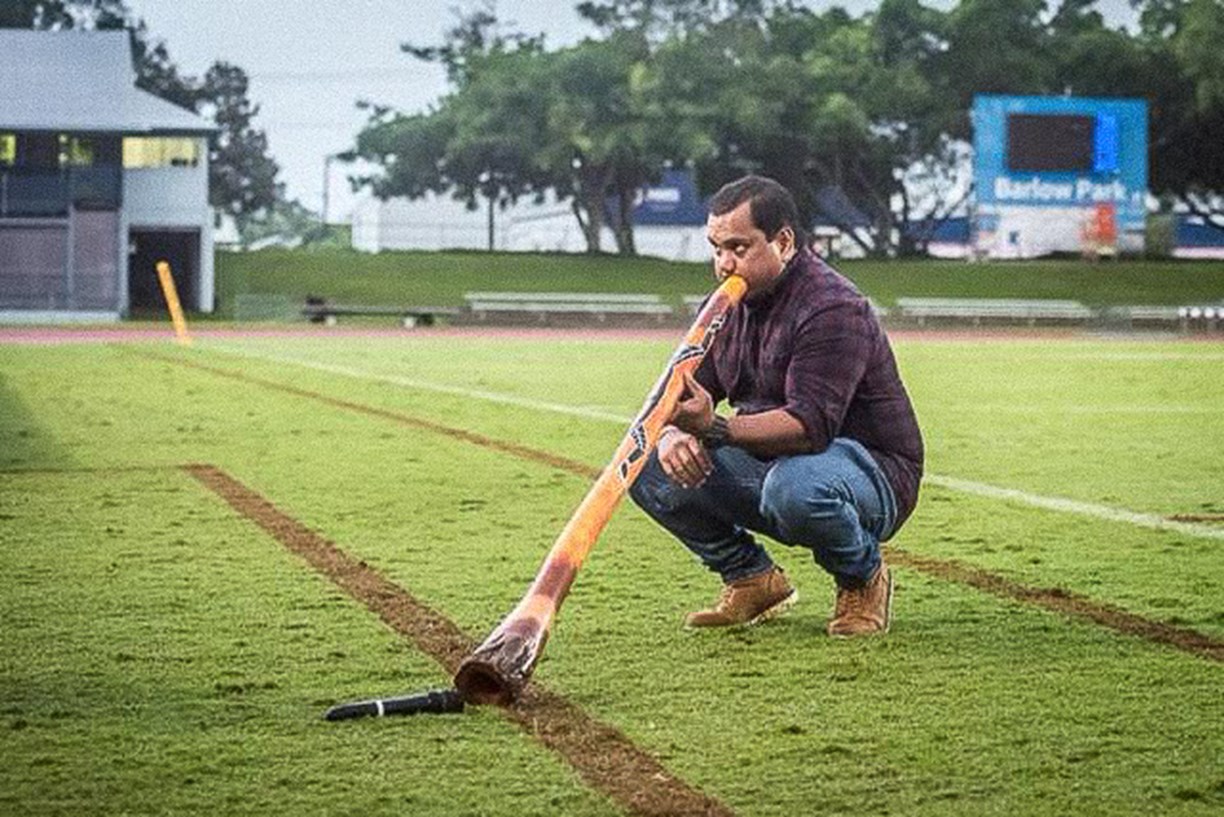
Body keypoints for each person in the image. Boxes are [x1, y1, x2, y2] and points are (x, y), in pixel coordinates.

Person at [629, 175, 923, 637]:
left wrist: (715, 428)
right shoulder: (723, 307)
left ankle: (862, 578)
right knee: (644, 461)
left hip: (871, 470)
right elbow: (678, 395)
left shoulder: (833, 307)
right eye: (716, 249)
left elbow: (809, 428)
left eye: (738, 248)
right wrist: (671, 432)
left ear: (783, 242)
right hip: (777, 464)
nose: (723, 264)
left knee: (795, 489)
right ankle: (751, 578)